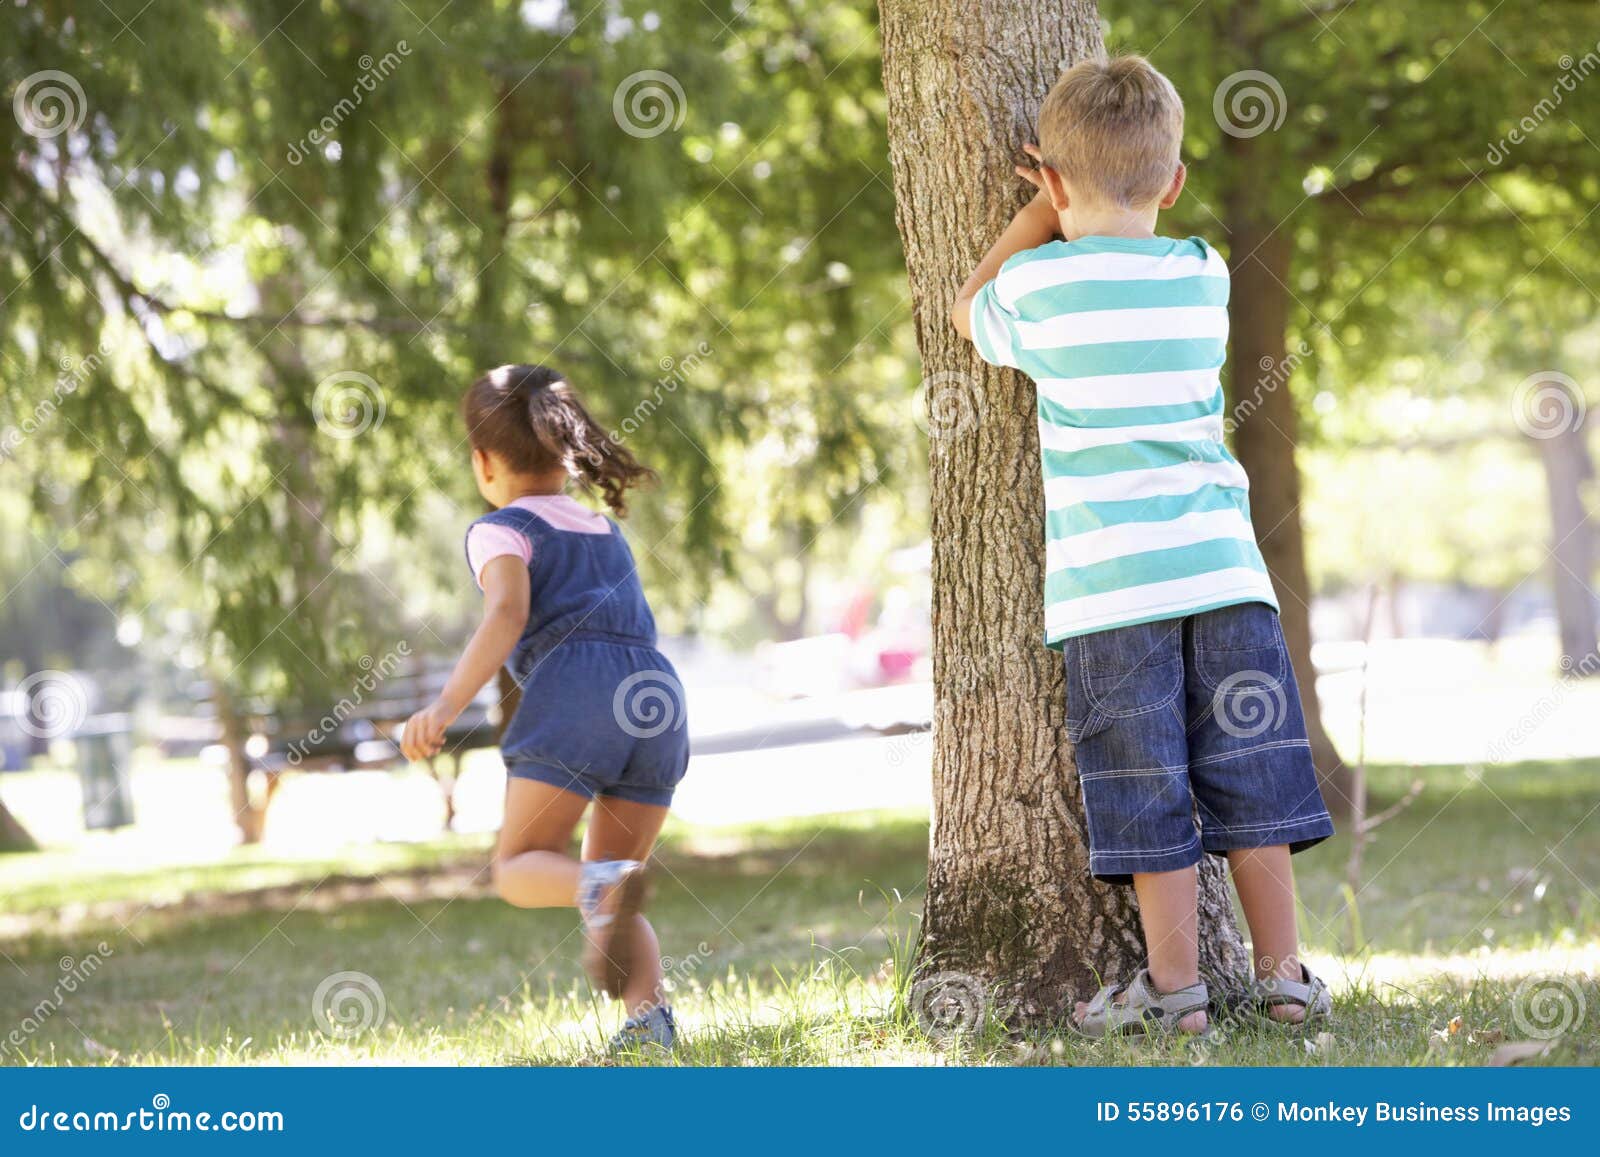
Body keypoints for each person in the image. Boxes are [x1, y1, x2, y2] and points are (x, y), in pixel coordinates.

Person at [950, 55, 1335, 1036]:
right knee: (1250, 770)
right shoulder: (1200, 272)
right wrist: (1072, 190)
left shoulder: (1036, 287)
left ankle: (1177, 992)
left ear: (1047, 176)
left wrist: (1038, 209)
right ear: (1172, 183)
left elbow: (967, 308)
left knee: (1143, 782)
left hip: (1112, 593)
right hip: (1223, 571)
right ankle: (1284, 973)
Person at [401, 363, 689, 1052]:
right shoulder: (601, 527)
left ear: (482, 461)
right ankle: (649, 1023)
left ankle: (605, 889)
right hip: (655, 696)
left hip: (576, 692)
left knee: (523, 865)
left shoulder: (501, 527)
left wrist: (444, 705)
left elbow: (507, 611)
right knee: (608, 884)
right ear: (566, 445)